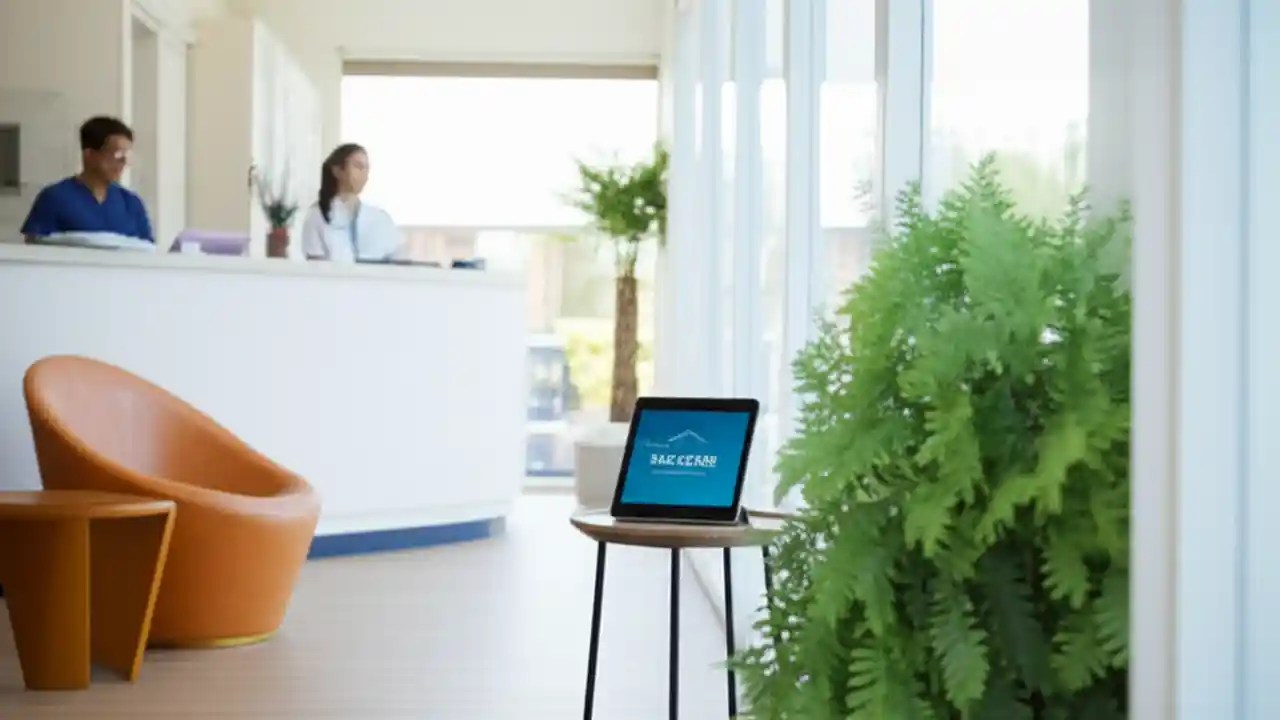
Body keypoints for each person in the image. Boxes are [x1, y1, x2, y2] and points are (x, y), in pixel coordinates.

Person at [21, 116, 153, 244]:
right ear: (89, 155)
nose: (123, 162)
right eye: (117, 154)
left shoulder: (131, 203)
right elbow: (34, 247)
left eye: (126, 155)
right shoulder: (55, 198)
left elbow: (146, 251)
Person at [301, 143, 403, 262]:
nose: (364, 174)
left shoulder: (380, 218)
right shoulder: (317, 215)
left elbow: (397, 258)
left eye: (366, 168)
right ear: (338, 171)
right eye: (358, 166)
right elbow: (315, 266)